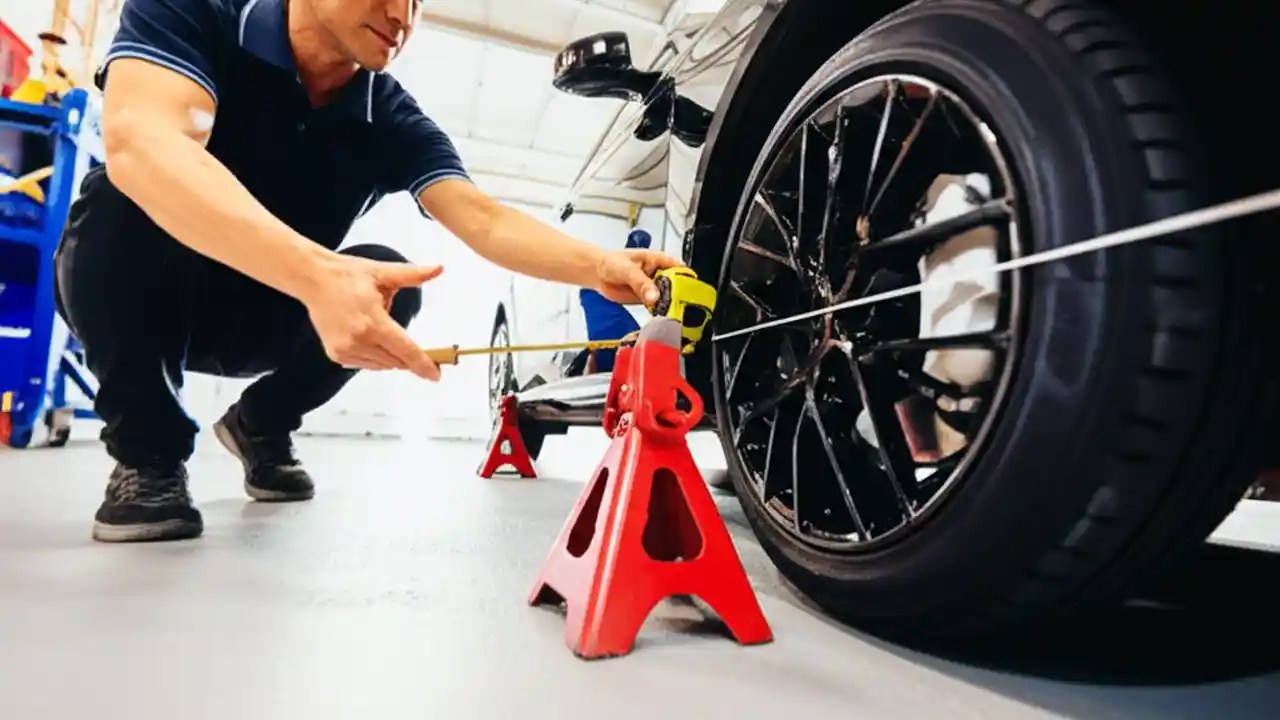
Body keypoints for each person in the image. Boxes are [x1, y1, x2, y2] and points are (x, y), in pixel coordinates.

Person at [54, 0, 680, 543]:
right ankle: (150, 456)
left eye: (419, 0)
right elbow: (143, 143)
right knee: (123, 197)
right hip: (139, 295)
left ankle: (261, 424)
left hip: (262, 319)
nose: (402, 16)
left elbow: (482, 218)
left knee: (386, 278)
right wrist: (315, 274)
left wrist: (597, 263)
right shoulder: (202, 12)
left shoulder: (390, 116)